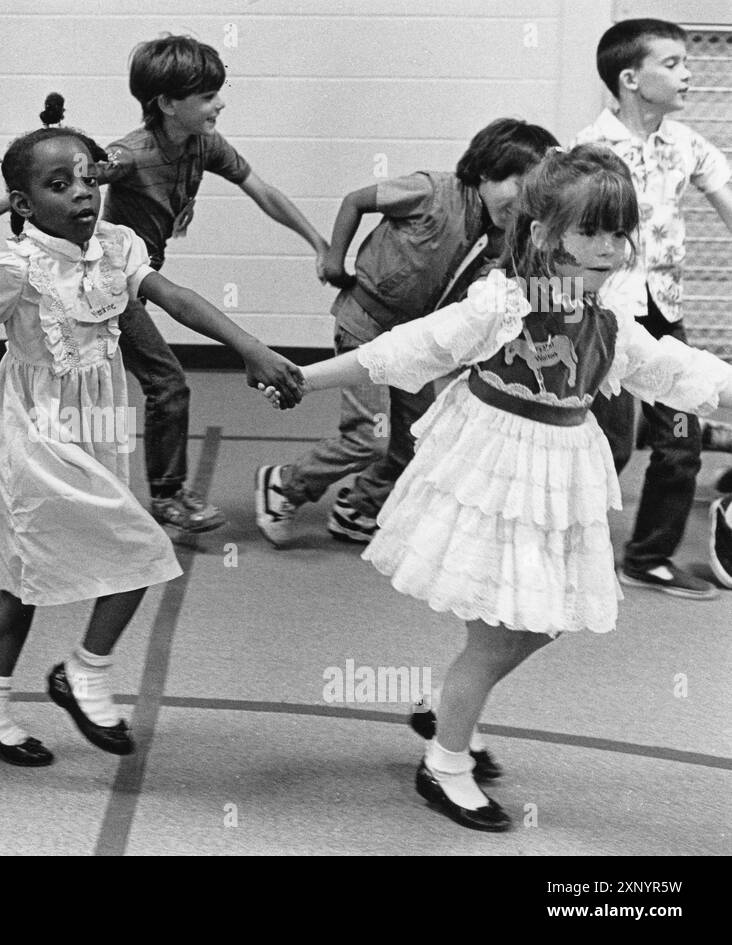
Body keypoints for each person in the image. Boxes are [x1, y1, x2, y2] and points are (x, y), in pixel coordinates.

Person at [262, 146, 732, 830]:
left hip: (559, 472)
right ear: (543, 233)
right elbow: (409, 348)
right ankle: (445, 764)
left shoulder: (607, 317)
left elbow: (676, 372)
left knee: (542, 621)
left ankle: (443, 705)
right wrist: (306, 376)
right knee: (497, 635)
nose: (610, 247)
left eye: (619, 232)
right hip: (493, 469)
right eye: (590, 231)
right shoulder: (504, 302)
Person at [0, 121, 302, 766]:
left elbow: (176, 298)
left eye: (89, 178)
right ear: (25, 205)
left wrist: (249, 347)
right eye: (60, 185)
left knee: (32, 575)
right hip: (35, 426)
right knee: (136, 547)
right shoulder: (15, 267)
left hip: (101, 421)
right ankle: (84, 672)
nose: (82, 193)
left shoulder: (119, 246)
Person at [0, 37, 329, 536]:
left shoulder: (204, 145)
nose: (220, 103)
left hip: (137, 276)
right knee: (166, 381)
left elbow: (263, 191)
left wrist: (318, 242)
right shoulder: (131, 155)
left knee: (109, 390)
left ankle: (74, 475)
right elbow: (65, 176)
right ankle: (167, 496)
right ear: (168, 104)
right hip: (110, 282)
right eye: (207, 96)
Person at [254, 118, 557, 547]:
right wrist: (335, 259)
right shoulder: (432, 190)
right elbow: (356, 200)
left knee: (416, 438)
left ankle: (358, 507)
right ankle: (284, 483)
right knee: (370, 437)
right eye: (518, 185)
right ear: (487, 172)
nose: (523, 203)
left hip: (412, 343)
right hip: (365, 323)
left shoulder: (505, 236)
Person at [573, 18, 732, 600]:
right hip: (602, 315)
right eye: (672, 64)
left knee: (681, 438)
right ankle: (556, 543)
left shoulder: (686, 145)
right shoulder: (589, 152)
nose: (688, 73)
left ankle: (646, 558)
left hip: (664, 312)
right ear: (630, 78)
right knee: (608, 446)